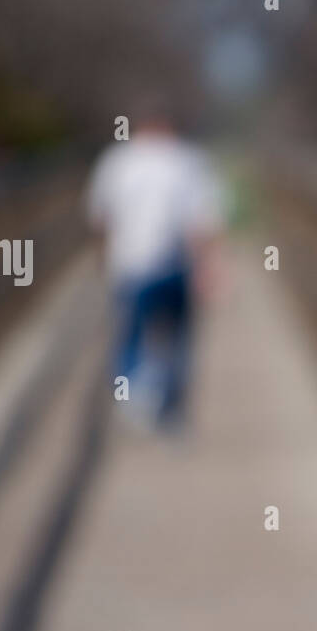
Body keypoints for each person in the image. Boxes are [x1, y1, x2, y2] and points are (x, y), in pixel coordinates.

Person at [86, 100, 227, 431]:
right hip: (175, 266)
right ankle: (170, 405)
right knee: (177, 338)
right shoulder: (188, 160)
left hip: (129, 266)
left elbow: (100, 217)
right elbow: (203, 222)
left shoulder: (117, 161)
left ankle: (134, 397)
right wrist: (209, 268)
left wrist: (103, 258)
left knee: (132, 334)